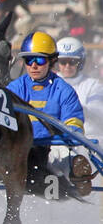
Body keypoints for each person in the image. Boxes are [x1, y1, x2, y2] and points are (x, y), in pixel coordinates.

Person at [7, 31, 92, 198]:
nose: (34, 66)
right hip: (22, 148)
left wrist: (70, 133)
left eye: (39, 60)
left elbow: (74, 121)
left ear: (52, 61)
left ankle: (78, 174)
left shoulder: (63, 90)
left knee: (61, 157)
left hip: (52, 145)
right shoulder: (14, 89)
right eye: (29, 60)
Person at [54, 36, 103, 139]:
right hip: (57, 139)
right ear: (57, 63)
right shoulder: (49, 84)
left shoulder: (92, 85)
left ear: (80, 63)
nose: (67, 66)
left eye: (72, 62)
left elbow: (100, 115)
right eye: (63, 62)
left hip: (87, 138)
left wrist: (79, 108)